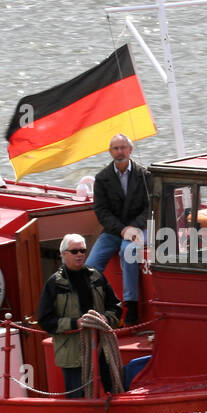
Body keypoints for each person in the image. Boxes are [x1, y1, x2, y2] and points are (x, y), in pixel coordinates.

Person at [37, 233, 121, 399]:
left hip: (102, 348)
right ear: (63, 254)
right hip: (73, 354)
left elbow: (115, 306)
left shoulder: (96, 277)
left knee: (113, 391)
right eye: (75, 251)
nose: (80, 254)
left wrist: (106, 319)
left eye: (83, 250)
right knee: (77, 397)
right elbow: (45, 320)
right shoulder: (55, 283)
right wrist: (76, 323)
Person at [87, 133, 152, 326]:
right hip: (114, 231)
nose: (119, 152)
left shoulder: (144, 175)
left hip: (140, 227)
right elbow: (101, 211)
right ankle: (100, 306)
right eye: (115, 148)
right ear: (110, 152)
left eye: (123, 148)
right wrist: (123, 230)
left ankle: (131, 305)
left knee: (129, 251)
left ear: (130, 150)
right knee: (90, 267)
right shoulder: (102, 178)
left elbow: (151, 207)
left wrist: (134, 226)